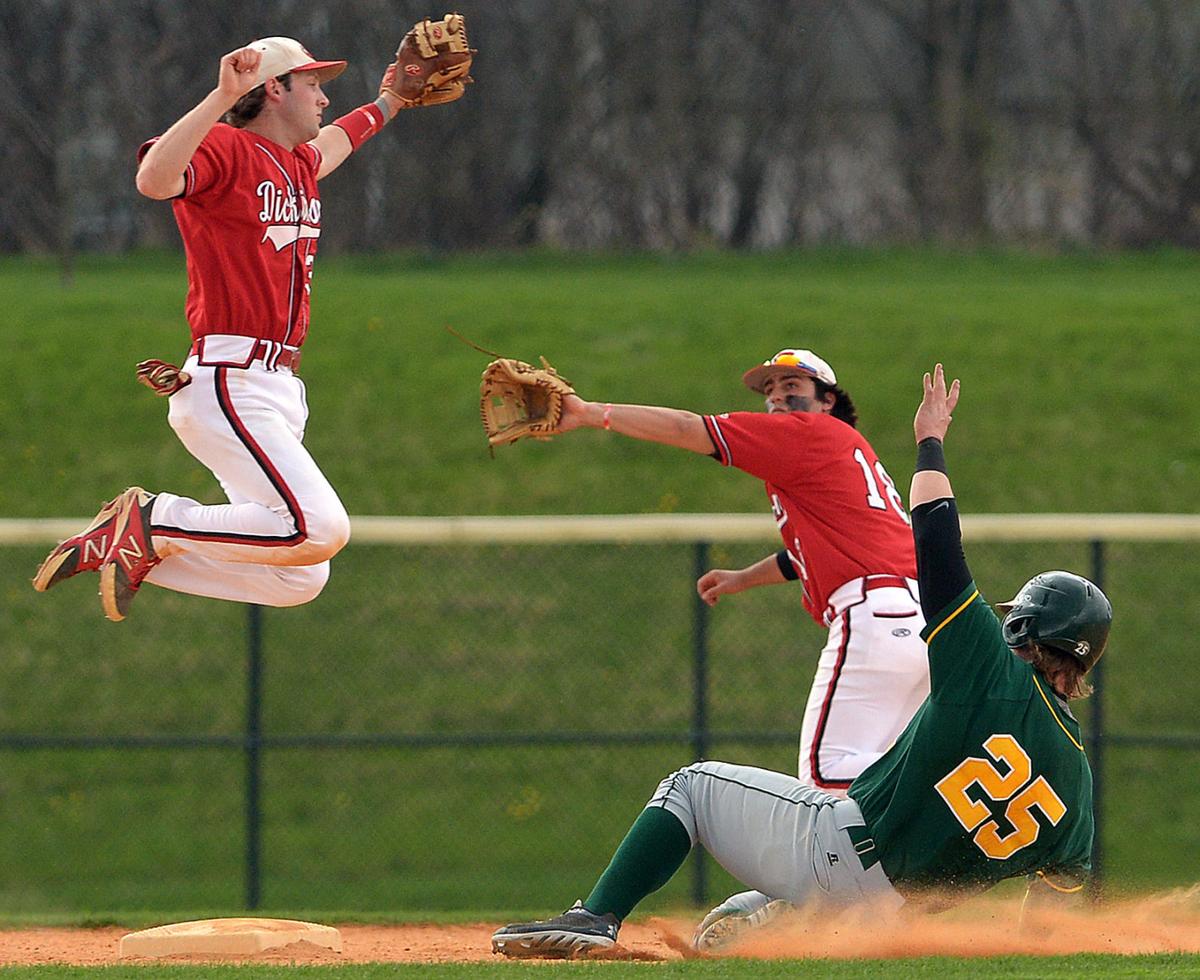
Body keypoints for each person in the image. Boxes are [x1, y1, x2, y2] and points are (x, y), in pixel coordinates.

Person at [491, 364, 1111, 959]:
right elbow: (1054, 907)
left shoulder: (986, 666)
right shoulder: (1077, 781)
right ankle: (790, 910)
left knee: (690, 787)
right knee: (758, 891)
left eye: (793, 385)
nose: (780, 395)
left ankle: (596, 918)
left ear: (1021, 627)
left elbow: (935, 534)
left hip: (844, 844)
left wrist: (930, 441)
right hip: (895, 918)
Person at [33, 34, 463, 621]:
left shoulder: (299, 164)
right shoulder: (225, 146)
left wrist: (391, 102)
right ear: (274, 89)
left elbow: (338, 141)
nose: (324, 98)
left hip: (276, 388)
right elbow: (154, 181)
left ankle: (132, 550)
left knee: (300, 575)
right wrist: (220, 96)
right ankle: (154, 521)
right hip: (230, 379)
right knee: (320, 527)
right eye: (312, 83)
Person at [538, 348, 932, 948]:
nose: (777, 396)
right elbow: (818, 550)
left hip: (872, 624)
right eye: (769, 388)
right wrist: (745, 578)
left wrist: (591, 413)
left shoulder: (804, 434)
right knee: (874, 786)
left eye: (793, 384)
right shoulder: (844, 452)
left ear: (828, 399)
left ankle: (813, 911)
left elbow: (689, 429)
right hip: (916, 626)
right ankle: (869, 902)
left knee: (822, 794)